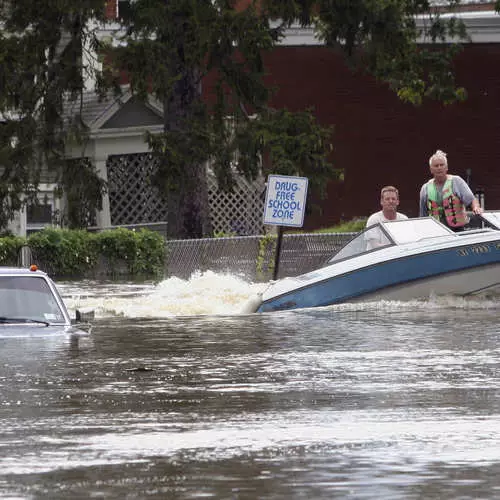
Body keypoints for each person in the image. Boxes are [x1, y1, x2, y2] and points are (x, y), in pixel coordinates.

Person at [419, 149, 482, 232]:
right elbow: (423, 215)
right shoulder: (425, 188)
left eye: (442, 165)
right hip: (435, 232)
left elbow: (471, 200)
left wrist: (476, 208)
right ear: (431, 169)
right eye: (436, 165)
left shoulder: (456, 181)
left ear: (447, 167)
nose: (439, 168)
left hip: (458, 230)